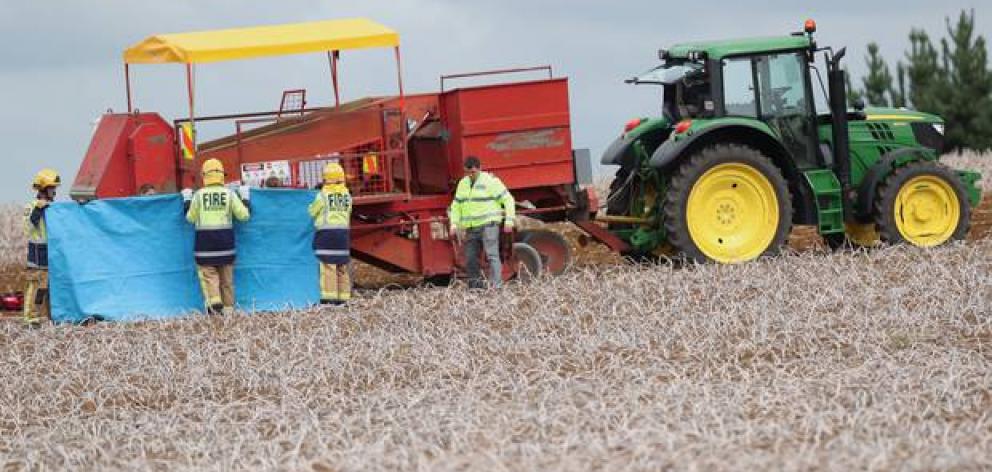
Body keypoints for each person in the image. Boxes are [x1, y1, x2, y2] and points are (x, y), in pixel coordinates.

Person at [181, 159, 251, 315]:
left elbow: (190, 219)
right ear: (221, 175)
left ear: (204, 175)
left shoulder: (199, 195)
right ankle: (229, 309)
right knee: (227, 280)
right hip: (226, 244)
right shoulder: (230, 194)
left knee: (209, 275)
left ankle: (214, 302)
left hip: (204, 245)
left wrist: (186, 200)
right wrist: (245, 198)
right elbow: (244, 216)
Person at [448, 156, 515, 289]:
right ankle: (475, 287)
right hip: (471, 227)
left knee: (492, 255)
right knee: (470, 258)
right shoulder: (463, 183)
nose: (470, 175)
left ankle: (496, 286)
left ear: (479, 169)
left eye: (473, 172)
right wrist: (454, 224)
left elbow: (508, 200)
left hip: (489, 225)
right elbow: (456, 205)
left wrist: (509, 221)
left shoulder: (491, 181)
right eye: (467, 172)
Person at [308, 162, 353, 305]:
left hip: (327, 235)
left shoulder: (323, 196)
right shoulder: (347, 196)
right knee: (342, 265)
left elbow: (312, 212)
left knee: (327, 266)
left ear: (326, 178)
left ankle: (328, 298)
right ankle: (344, 298)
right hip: (343, 235)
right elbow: (349, 212)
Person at [23, 168, 60, 326]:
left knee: (50, 285)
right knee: (35, 285)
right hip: (37, 253)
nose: (54, 192)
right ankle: (30, 318)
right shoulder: (32, 207)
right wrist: (38, 209)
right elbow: (28, 228)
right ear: (44, 189)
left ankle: (52, 315)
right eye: (52, 188)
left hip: (52, 251)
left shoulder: (52, 207)